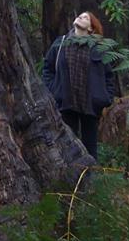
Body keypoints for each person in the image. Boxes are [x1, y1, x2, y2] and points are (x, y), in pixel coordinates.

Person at [42, 11, 115, 160]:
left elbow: (109, 76)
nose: (80, 17)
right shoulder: (61, 43)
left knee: (90, 148)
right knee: (69, 147)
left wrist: (106, 98)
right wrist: (53, 90)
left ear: (91, 29)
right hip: (66, 103)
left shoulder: (99, 48)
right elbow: (48, 68)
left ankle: (92, 180)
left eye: (85, 17)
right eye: (80, 16)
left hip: (90, 105)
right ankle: (72, 180)